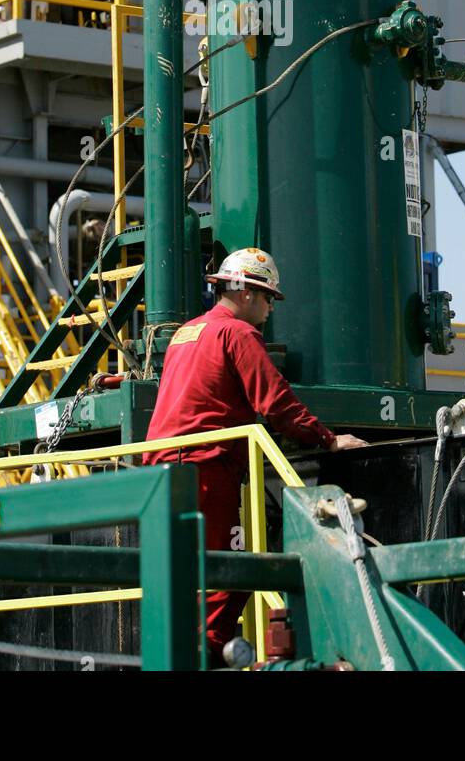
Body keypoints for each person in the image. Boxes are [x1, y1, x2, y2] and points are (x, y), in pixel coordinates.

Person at [143, 246, 368, 665]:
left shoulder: (185, 333)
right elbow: (274, 401)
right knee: (233, 573)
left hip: (160, 472)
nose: (269, 307)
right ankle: (203, 657)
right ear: (245, 292)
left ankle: (179, 650)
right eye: (267, 297)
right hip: (205, 468)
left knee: (183, 576)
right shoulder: (239, 334)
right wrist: (328, 439)